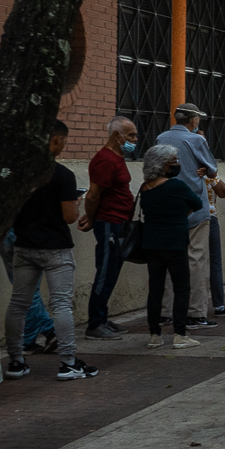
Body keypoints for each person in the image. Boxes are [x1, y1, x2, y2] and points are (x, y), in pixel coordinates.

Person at [4, 120, 97, 381]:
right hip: (55, 248)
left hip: (23, 245)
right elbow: (69, 217)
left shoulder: (18, 173)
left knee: (18, 303)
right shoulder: (63, 175)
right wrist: (76, 204)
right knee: (61, 304)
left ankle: (15, 360)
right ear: (55, 140)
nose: (64, 146)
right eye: (64, 141)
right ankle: (68, 362)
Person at [156, 103, 220, 328]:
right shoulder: (197, 140)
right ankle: (195, 313)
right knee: (196, 260)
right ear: (194, 121)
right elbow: (212, 169)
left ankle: (163, 311)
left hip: (165, 207)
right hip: (194, 206)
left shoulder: (160, 138)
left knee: (166, 259)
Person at [139, 145, 205, 349]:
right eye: (173, 161)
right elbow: (197, 203)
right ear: (163, 166)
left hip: (151, 243)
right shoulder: (176, 186)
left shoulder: (145, 188)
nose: (177, 164)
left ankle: (154, 334)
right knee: (182, 288)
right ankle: (180, 334)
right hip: (174, 243)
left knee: (155, 289)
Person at [78, 116, 138, 338]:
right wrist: (92, 218)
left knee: (112, 271)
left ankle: (102, 317)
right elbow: (93, 195)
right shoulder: (105, 160)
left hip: (119, 222)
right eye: (131, 135)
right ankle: (95, 324)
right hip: (109, 223)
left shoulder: (118, 158)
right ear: (117, 135)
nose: (135, 139)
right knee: (105, 271)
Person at [203, 163, 225, 318]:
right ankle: (218, 304)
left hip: (195, 218)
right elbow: (223, 192)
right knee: (214, 262)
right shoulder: (206, 173)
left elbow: (224, 192)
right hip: (209, 217)